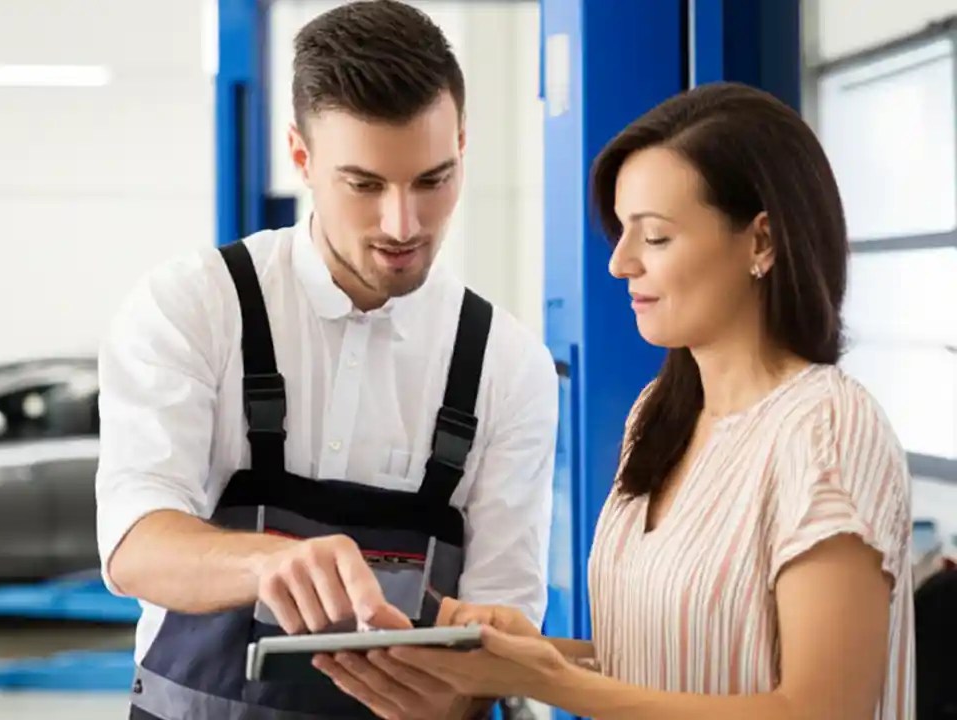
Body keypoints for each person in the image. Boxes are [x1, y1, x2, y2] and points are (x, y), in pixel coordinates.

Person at [317, 81, 917, 720]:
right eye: (622, 234)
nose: (620, 264)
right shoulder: (659, 417)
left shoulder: (826, 428)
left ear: (762, 242)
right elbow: (670, 663)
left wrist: (553, 685)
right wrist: (534, 656)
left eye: (654, 238)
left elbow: (822, 709)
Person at [93, 2, 558, 718]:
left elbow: (500, 617)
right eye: (365, 185)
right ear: (302, 157)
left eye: (433, 180)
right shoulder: (193, 306)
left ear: (463, 147)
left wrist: (465, 693)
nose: (403, 225)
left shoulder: (508, 366)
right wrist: (270, 561)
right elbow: (135, 543)